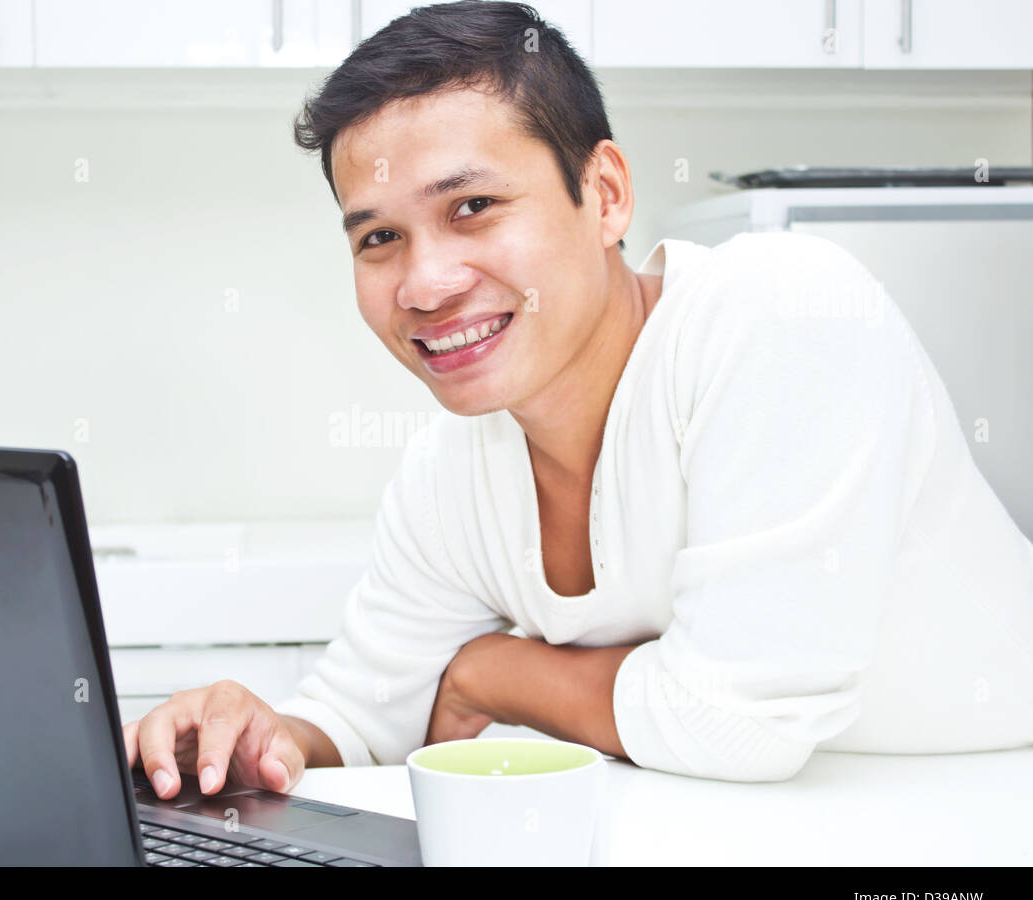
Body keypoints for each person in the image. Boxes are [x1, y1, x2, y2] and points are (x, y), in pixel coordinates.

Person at [122, 1, 1033, 797]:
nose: (425, 283)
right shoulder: (455, 467)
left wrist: (493, 672)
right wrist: (258, 739)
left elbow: (739, 722)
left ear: (604, 195)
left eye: (473, 206)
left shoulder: (778, 309)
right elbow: (364, 718)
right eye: (380, 237)